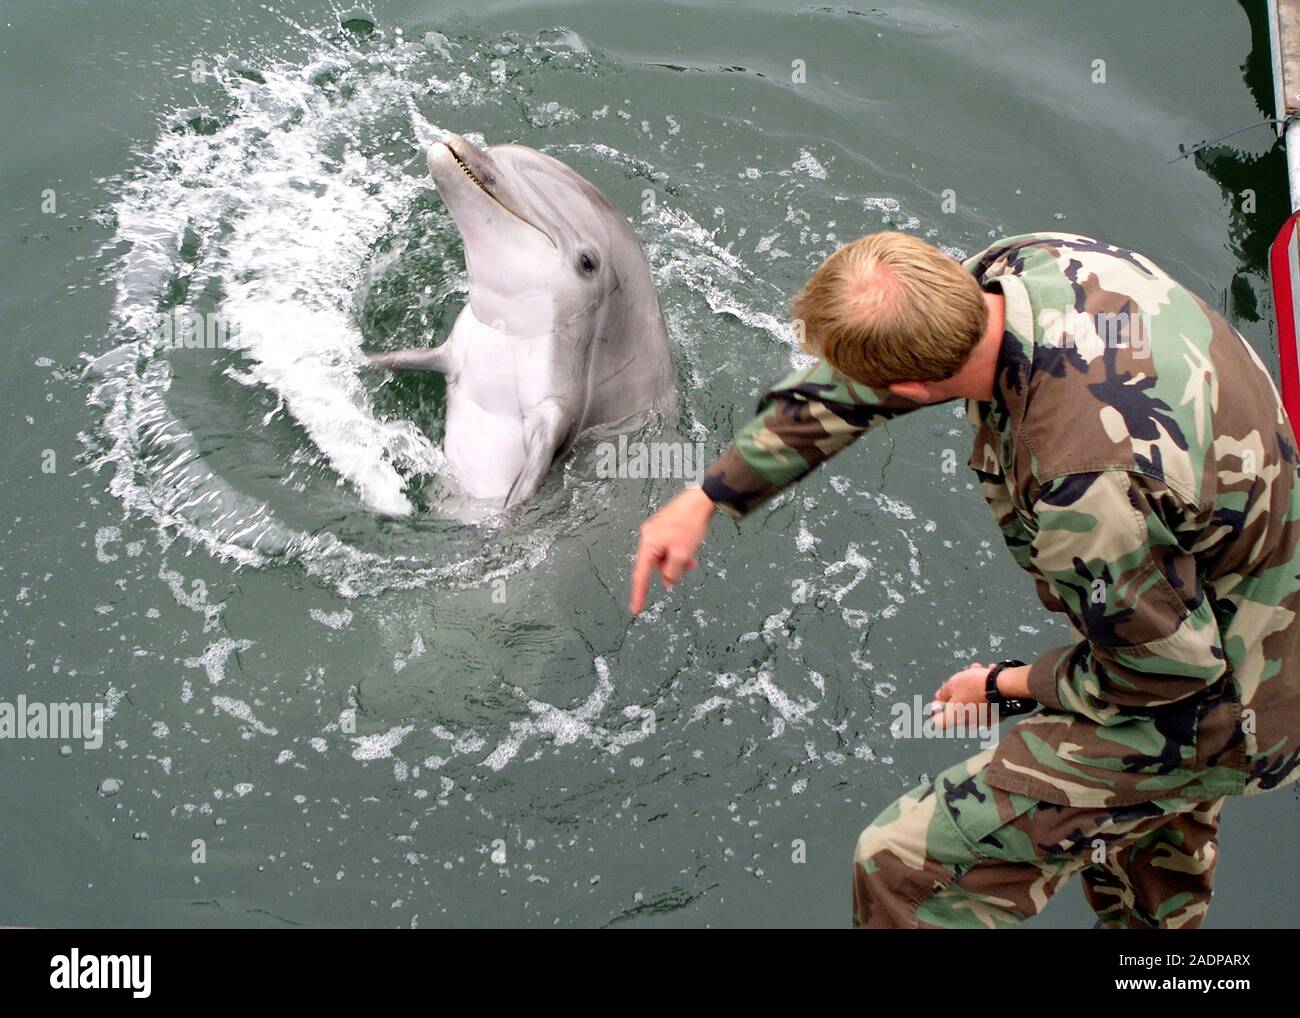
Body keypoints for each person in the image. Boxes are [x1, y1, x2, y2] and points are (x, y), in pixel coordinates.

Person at [628, 231, 1300, 928]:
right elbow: (864, 377)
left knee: (903, 867)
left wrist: (1005, 685)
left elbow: (1164, 680)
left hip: (1226, 706)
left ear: (915, 390)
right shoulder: (1028, 268)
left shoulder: (1083, 489)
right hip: (1236, 597)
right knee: (1145, 834)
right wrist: (708, 495)